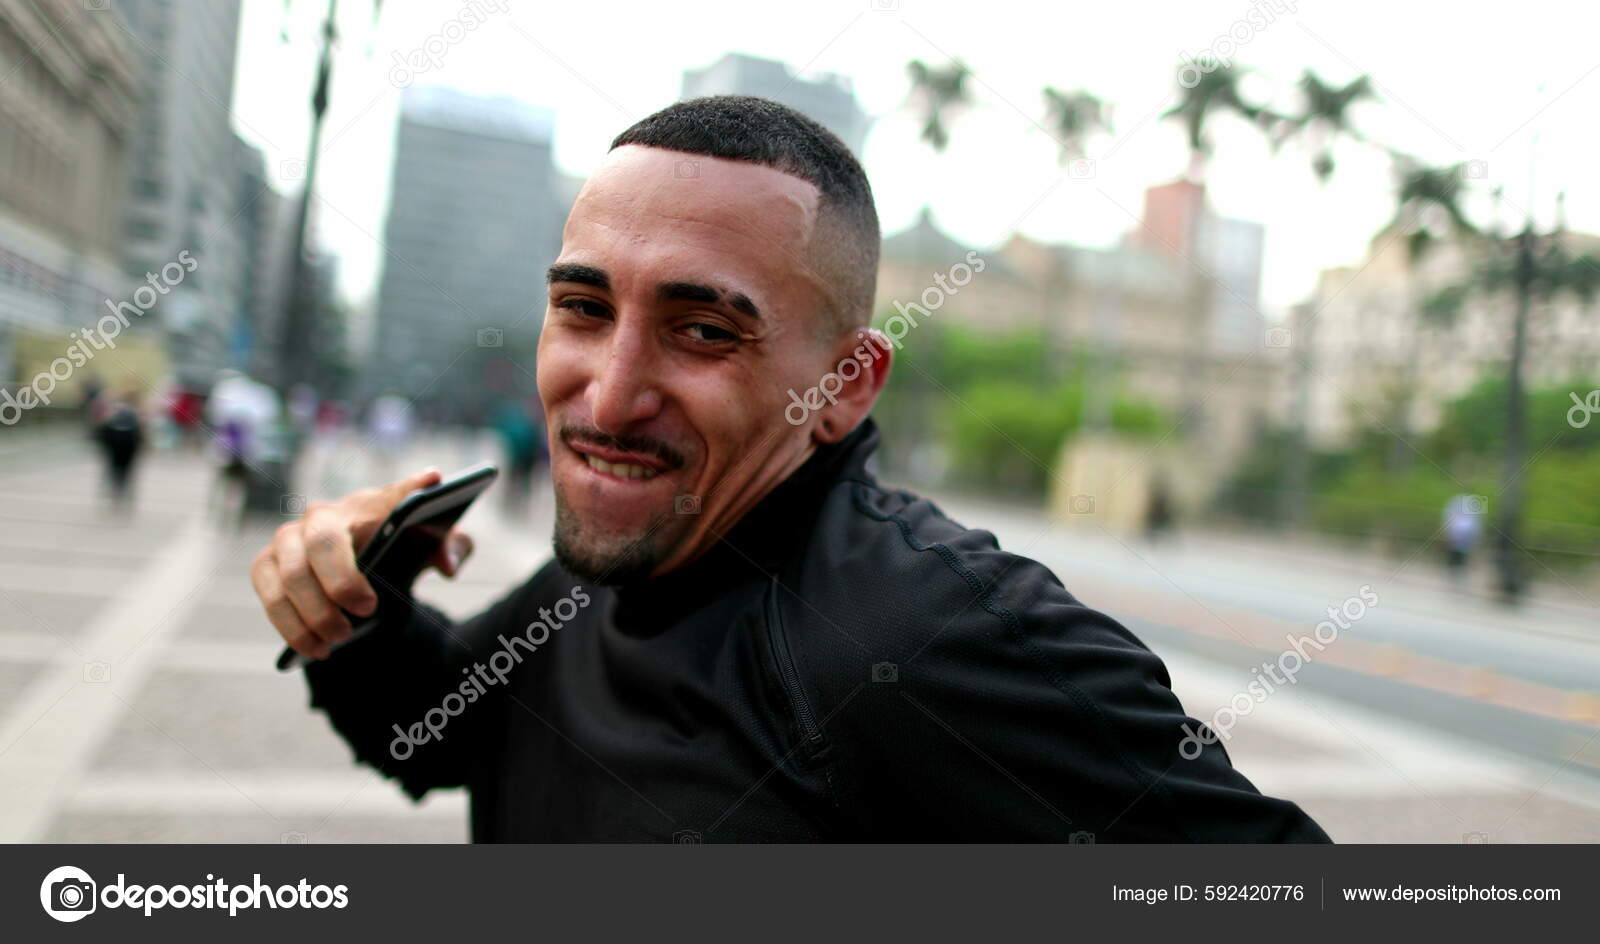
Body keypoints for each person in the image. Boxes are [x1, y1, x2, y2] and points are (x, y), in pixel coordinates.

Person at [251, 96, 1328, 842]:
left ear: (849, 382)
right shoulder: (640, 542)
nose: (611, 393)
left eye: (704, 331)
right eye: (584, 308)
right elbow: (438, 729)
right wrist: (350, 598)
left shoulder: (925, 633)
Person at [94, 391, 143, 510]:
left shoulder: (112, 413)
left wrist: (105, 447)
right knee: (126, 472)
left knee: (114, 471)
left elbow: (103, 431)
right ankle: (124, 494)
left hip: (115, 449)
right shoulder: (134, 414)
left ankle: (115, 493)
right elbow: (139, 435)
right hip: (128, 449)